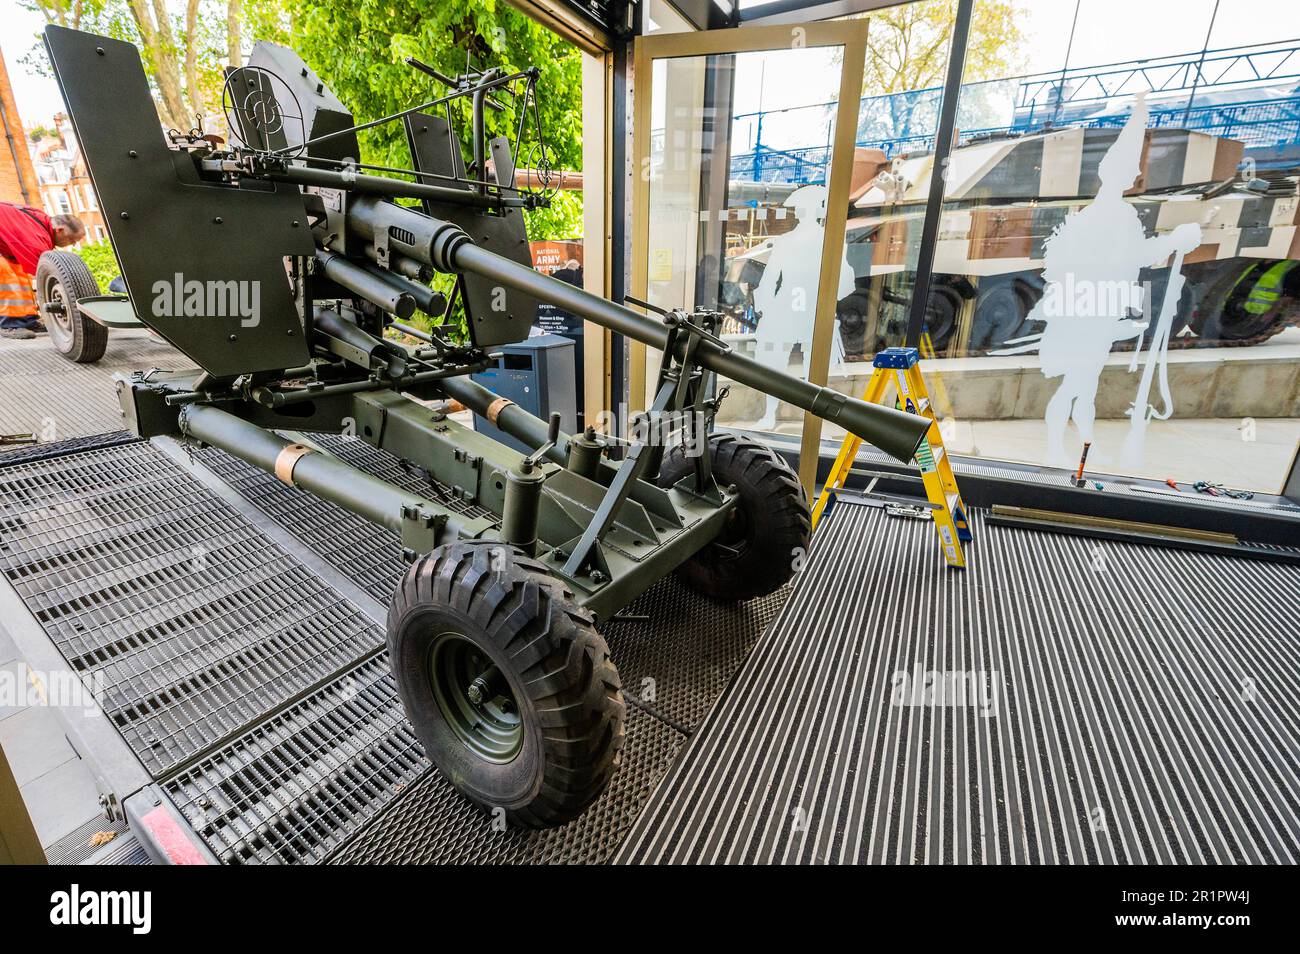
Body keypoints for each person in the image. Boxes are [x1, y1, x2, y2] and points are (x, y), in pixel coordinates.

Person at [0, 202, 85, 339]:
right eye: (71, 239)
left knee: (21, 275)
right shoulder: (35, 240)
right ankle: (10, 325)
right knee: (7, 276)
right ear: (60, 230)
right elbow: (50, 277)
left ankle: (28, 321)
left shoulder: (40, 222)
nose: (73, 244)